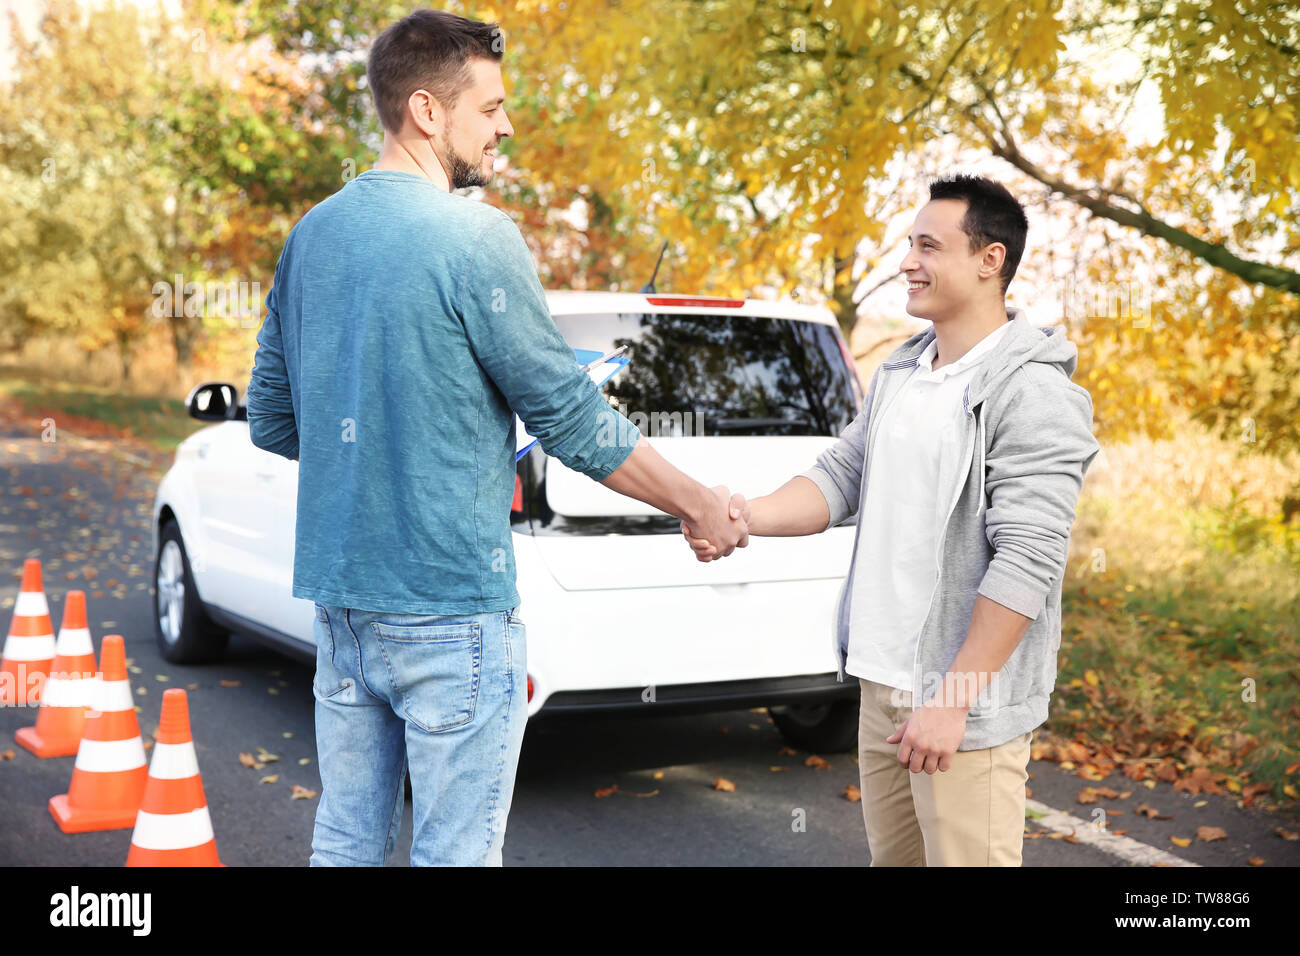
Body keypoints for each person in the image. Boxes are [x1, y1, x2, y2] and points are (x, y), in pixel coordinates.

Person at [245, 8, 747, 867]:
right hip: (450, 608)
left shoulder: (311, 237)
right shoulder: (477, 237)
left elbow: (273, 419)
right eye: (492, 107)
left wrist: (383, 444)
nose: (507, 125)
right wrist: (698, 503)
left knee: (344, 844)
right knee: (456, 858)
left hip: (343, 607)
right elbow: (573, 417)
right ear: (427, 112)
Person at [684, 174, 1101, 866]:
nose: (907, 262)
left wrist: (955, 699)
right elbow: (841, 477)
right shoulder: (904, 372)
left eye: (928, 246)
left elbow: (1028, 560)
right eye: (910, 243)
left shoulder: (1035, 393)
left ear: (988, 261)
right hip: (880, 686)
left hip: (958, 701)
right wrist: (741, 516)